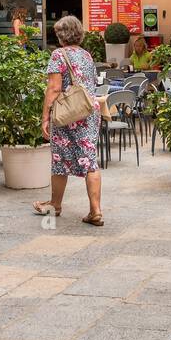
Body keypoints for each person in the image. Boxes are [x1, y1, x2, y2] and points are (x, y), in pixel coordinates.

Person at [34, 15, 104, 227]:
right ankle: (95, 210)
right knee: (90, 159)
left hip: (68, 115)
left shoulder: (58, 55)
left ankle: (55, 204)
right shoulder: (86, 55)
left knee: (60, 159)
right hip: (88, 112)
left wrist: (45, 116)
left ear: (61, 35)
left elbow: (54, 88)